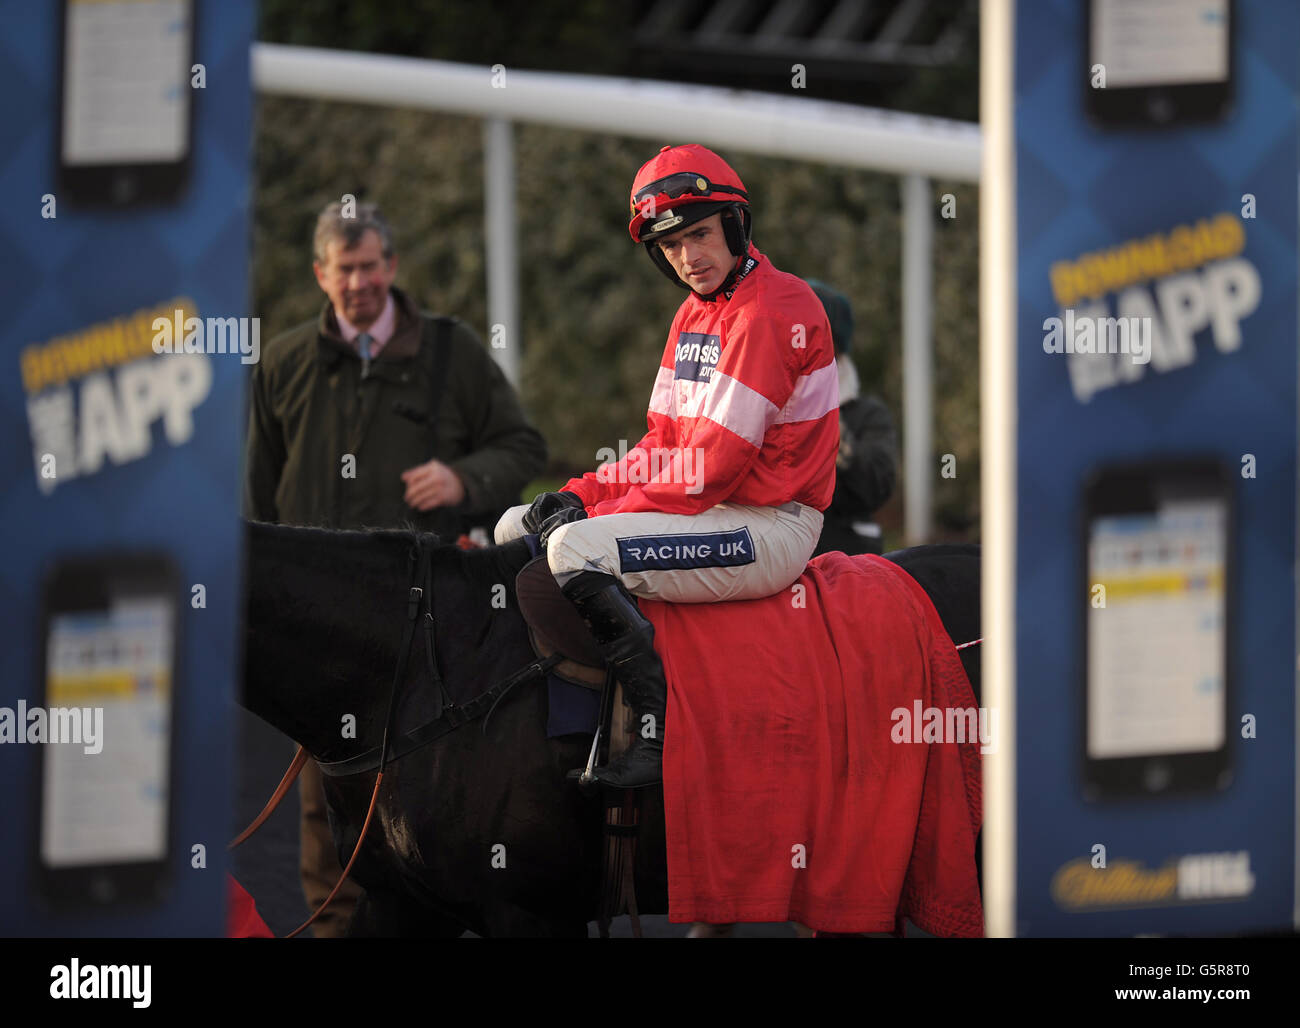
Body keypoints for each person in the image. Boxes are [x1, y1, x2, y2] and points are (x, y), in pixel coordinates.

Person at [244, 201, 546, 936]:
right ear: (321, 274)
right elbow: (258, 505)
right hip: (318, 635)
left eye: (371, 265)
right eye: (344, 269)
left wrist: (462, 479)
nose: (359, 282)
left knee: (443, 798)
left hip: (434, 634)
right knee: (328, 810)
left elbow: (524, 450)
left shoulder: (452, 353)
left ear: (393, 267)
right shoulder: (283, 365)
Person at [495, 144, 838, 789]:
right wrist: (577, 491)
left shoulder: (771, 311)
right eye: (672, 247)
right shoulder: (693, 313)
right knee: (515, 525)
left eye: (701, 235)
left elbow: (710, 469)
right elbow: (663, 443)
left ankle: (653, 732)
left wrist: (592, 517)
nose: (690, 258)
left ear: (736, 226)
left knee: (575, 549)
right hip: (716, 507)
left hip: (771, 527)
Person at [806, 281, 898, 557]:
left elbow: (876, 486)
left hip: (844, 554)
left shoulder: (866, 415)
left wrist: (841, 447)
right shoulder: (757, 400)